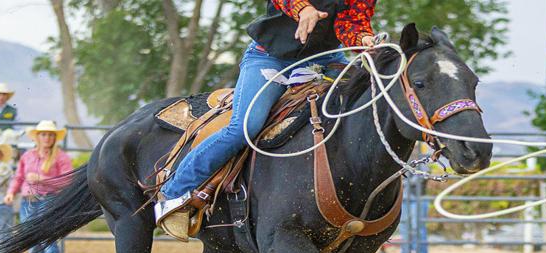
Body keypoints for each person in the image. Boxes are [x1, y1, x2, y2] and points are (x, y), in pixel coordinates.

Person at [155, 0, 379, 240]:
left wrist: (364, 39)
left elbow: (351, 24)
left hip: (325, 60)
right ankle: (174, 193)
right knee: (245, 126)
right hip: (270, 57)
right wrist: (304, 9)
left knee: (366, 104)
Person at [6, 120, 73, 253]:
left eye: (51, 135)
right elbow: (19, 177)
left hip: (49, 200)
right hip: (28, 200)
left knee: (47, 240)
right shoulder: (28, 156)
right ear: (37, 137)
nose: (47, 138)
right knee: (32, 238)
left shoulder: (61, 157)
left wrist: (42, 180)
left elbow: (66, 181)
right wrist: (10, 192)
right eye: (44, 134)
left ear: (55, 137)